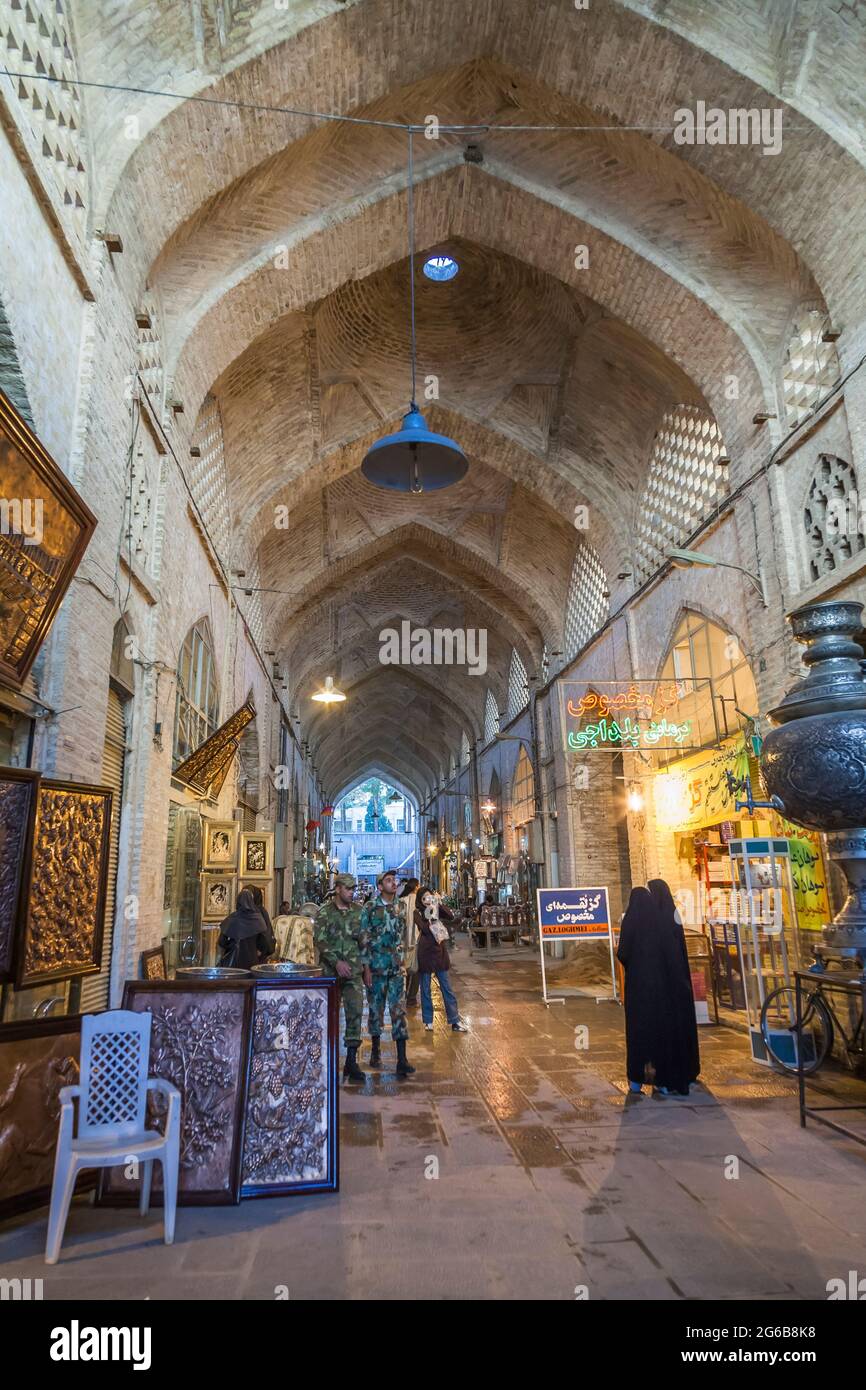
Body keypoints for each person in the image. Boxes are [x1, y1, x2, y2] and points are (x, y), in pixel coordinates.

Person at [616, 884, 700, 1097]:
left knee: (638, 1035)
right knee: (662, 1034)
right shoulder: (664, 921)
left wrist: (634, 967)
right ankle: (664, 1079)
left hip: (638, 991)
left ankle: (636, 1080)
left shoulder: (634, 921)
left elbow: (623, 953)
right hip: (667, 989)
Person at [314, 873, 371, 1082]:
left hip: (354, 972)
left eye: (352, 889)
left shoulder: (359, 913)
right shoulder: (324, 913)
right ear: (337, 889)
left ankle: (351, 1061)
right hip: (330, 974)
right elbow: (320, 941)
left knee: (355, 1013)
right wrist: (336, 962)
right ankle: (326, 1057)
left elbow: (365, 942)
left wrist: (366, 968)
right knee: (328, 1015)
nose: (351, 892)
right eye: (348, 889)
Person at [360, 869, 414, 1075]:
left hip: (396, 970)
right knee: (375, 1011)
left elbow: (404, 935)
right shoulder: (370, 908)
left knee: (399, 1011)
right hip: (375, 969)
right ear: (380, 886)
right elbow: (363, 939)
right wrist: (365, 968)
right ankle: (375, 1050)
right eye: (388, 880)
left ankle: (402, 1059)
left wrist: (404, 962)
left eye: (394, 880)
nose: (394, 883)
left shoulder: (401, 907)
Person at [415, 886, 467, 1032]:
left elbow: (450, 916)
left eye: (429, 897)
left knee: (447, 987)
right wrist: (430, 914)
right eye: (424, 898)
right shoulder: (417, 912)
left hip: (439, 952)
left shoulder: (436, 907)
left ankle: (455, 1020)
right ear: (420, 900)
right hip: (425, 953)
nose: (427, 900)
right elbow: (424, 928)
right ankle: (428, 1020)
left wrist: (438, 904)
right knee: (425, 989)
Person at [217, 888, 275, 969]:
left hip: (233, 964)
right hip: (253, 963)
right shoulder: (258, 919)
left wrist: (232, 944)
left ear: (238, 901)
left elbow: (221, 942)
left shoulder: (232, 919)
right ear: (252, 901)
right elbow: (264, 944)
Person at [273, 900, 317, 966]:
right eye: (286, 907)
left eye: (288, 908)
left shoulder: (300, 923)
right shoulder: (281, 919)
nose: (287, 909)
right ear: (282, 907)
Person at [399, 877, 421, 1005]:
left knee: (407, 968)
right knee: (416, 969)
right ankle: (411, 997)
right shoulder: (420, 901)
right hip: (418, 939)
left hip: (404, 940)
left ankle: (406, 992)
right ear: (416, 887)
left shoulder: (402, 901)